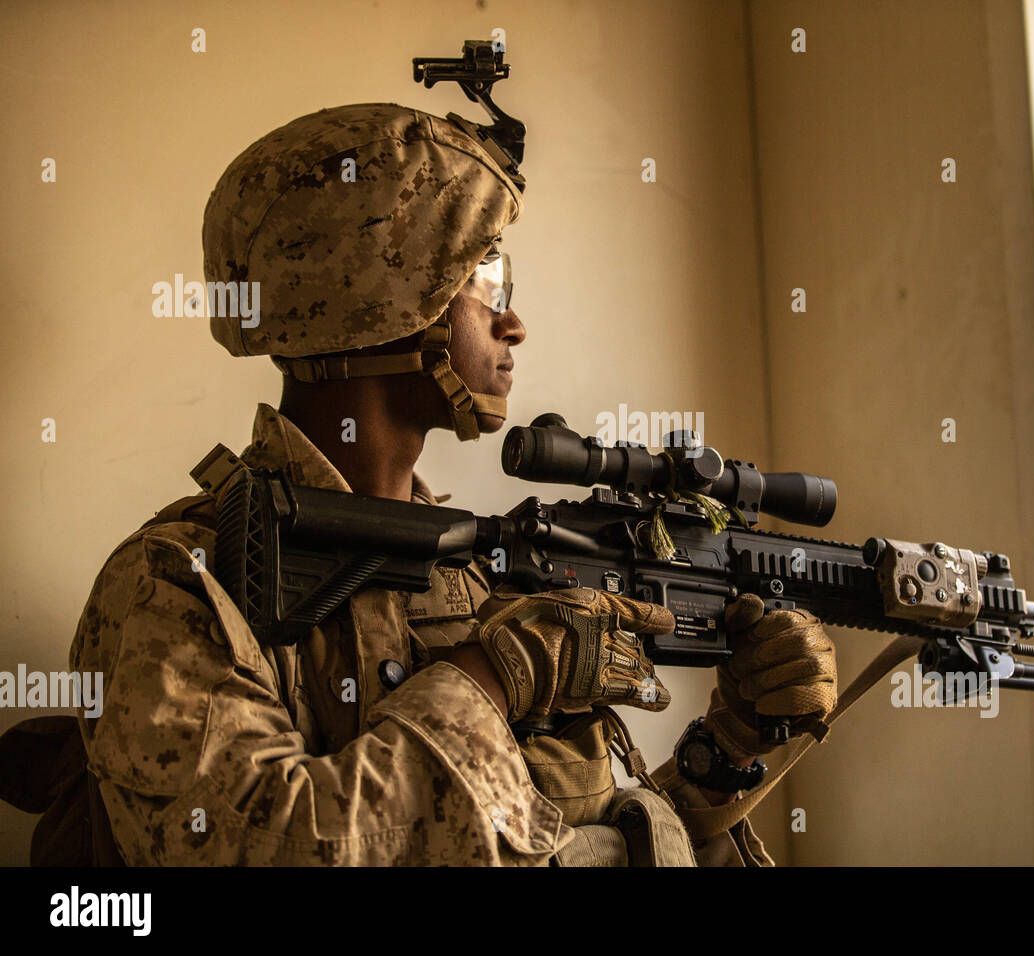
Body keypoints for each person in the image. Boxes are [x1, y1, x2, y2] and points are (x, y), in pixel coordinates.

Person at [3, 103, 837, 866]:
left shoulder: (477, 570)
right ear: (383, 299)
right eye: (482, 280)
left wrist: (729, 746)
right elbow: (271, 844)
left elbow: (572, 843)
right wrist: (489, 674)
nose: (511, 321)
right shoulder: (182, 583)